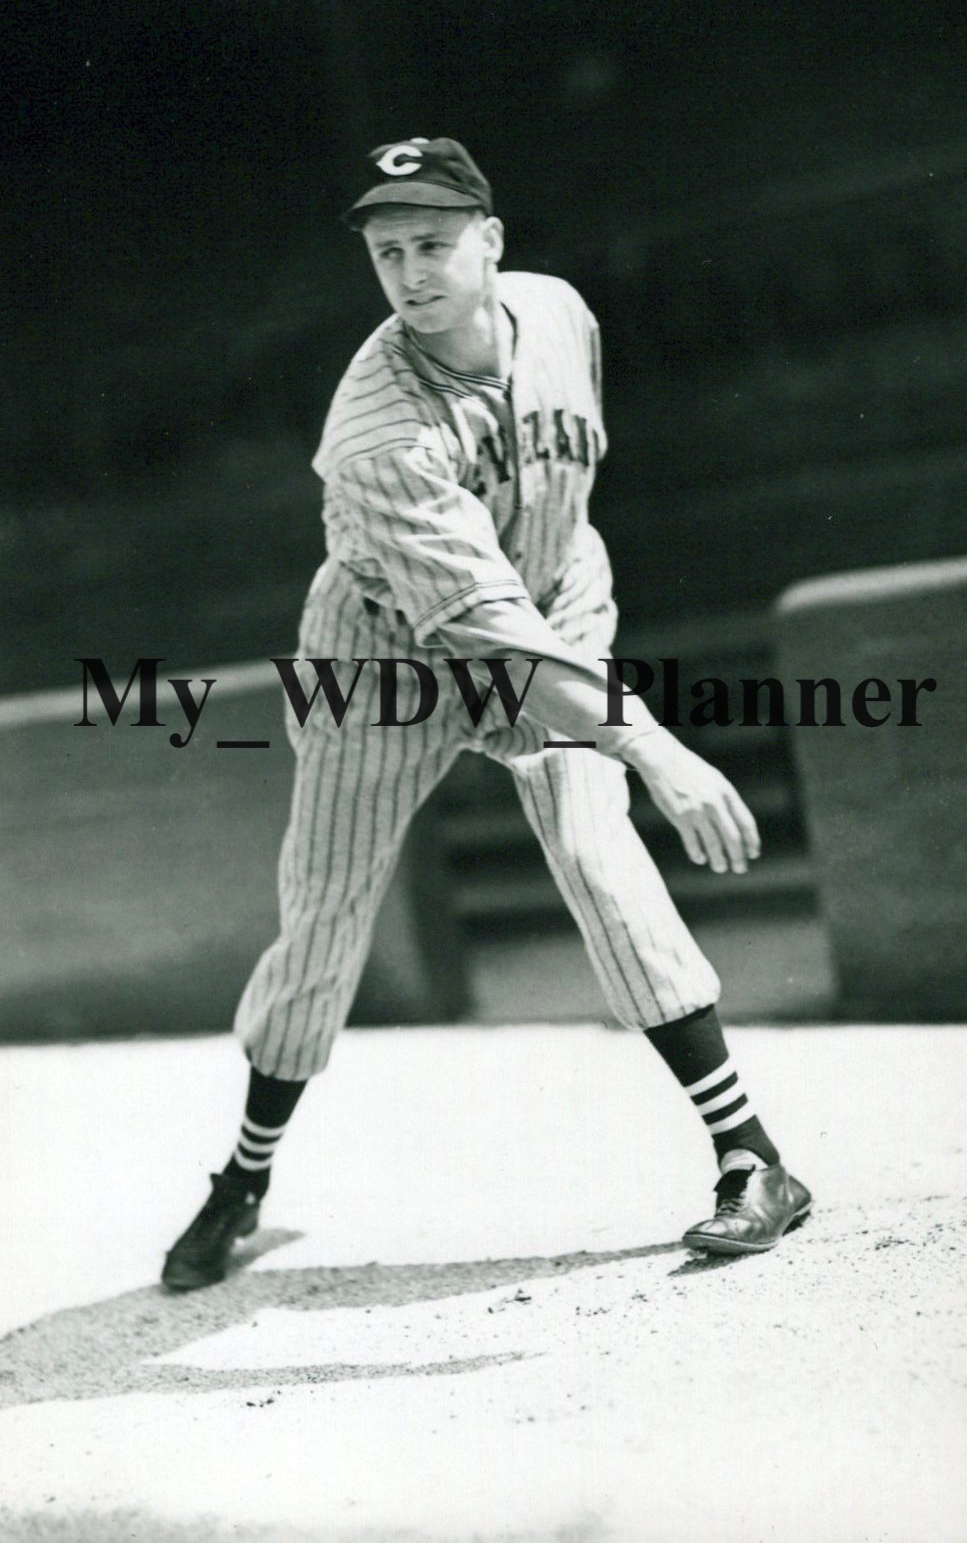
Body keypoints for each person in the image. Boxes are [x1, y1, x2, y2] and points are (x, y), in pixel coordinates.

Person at [161, 137, 811, 1291]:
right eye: (387, 250)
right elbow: (492, 634)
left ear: (491, 241)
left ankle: (752, 1157)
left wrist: (602, 685)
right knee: (324, 914)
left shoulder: (559, 313)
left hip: (553, 593)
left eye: (433, 241)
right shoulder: (375, 434)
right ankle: (245, 1177)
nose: (411, 271)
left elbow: (558, 523)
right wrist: (656, 743)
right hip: (387, 652)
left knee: (598, 856)